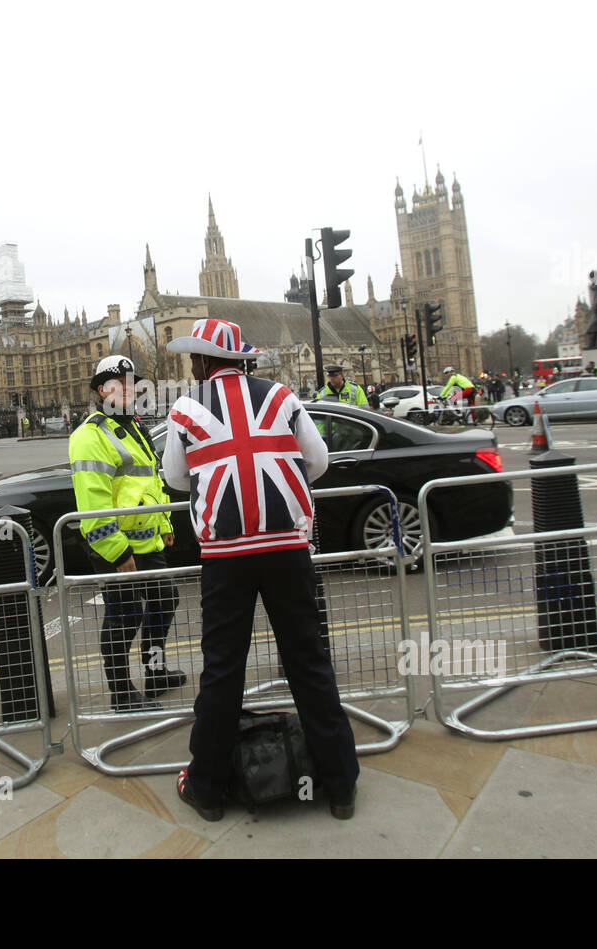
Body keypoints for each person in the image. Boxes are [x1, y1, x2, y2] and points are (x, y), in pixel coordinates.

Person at [162, 319, 360, 822]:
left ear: (206, 362)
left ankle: (205, 787)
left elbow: (175, 478)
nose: (191, 367)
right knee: (308, 661)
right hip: (286, 550)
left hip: (225, 557)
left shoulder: (186, 409)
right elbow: (318, 462)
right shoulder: (281, 396)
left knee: (223, 668)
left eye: (194, 359)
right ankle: (339, 785)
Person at [68, 354, 186, 712]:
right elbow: (93, 504)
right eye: (121, 384)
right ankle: (121, 692)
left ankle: (155, 672)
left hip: (147, 542)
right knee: (125, 615)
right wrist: (118, 552)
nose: (130, 389)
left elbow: (151, 481)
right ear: (103, 390)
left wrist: (165, 524)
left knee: (165, 601)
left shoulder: (135, 426)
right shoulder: (90, 436)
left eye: (133, 383)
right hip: (116, 548)